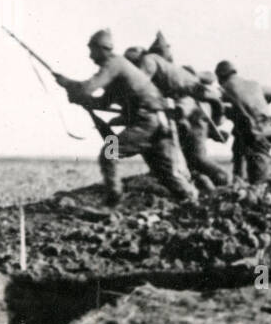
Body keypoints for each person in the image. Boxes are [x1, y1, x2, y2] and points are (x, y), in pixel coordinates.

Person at [55, 29, 200, 207]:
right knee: (164, 172)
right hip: (159, 122)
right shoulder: (118, 68)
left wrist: (68, 84)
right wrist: (79, 99)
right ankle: (192, 202)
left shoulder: (114, 64)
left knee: (109, 152)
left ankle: (113, 199)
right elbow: (103, 103)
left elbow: (87, 88)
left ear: (102, 49)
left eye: (92, 50)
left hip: (147, 121)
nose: (90, 55)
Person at [123, 40, 228, 190]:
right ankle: (197, 188)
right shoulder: (161, 73)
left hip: (185, 116)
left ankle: (223, 181)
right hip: (173, 121)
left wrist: (180, 113)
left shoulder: (150, 67)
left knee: (195, 159)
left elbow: (139, 94)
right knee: (184, 161)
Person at [215, 60, 271, 184]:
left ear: (220, 76)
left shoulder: (225, 89)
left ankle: (253, 192)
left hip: (257, 135)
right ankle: (239, 181)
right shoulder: (253, 84)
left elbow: (217, 112)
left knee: (258, 180)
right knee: (239, 144)